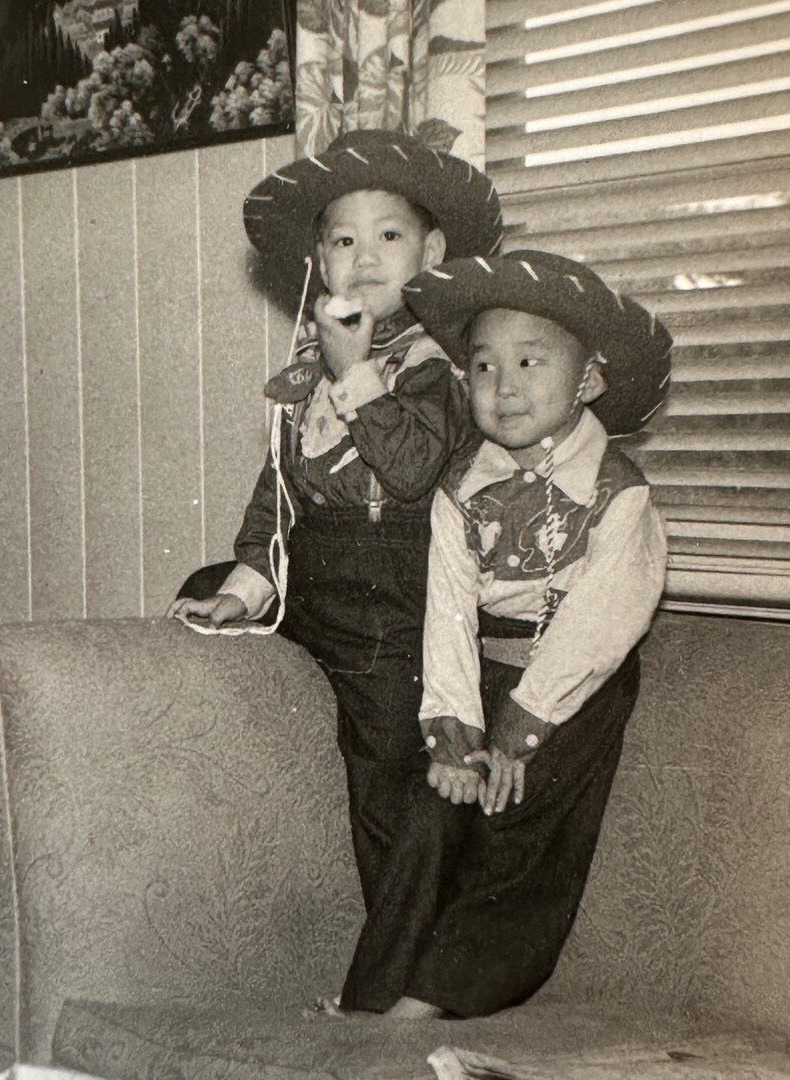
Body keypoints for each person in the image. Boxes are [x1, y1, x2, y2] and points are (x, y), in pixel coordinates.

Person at [168, 129, 504, 1014]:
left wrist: (359, 376)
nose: (363, 259)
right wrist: (247, 583)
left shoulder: (439, 367)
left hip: (395, 594)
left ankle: (391, 988)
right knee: (206, 606)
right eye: (343, 240)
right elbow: (276, 491)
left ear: (431, 252)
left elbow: (410, 470)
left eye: (388, 237)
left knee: (391, 782)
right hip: (319, 578)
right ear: (319, 257)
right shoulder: (306, 375)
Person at [392, 249, 672, 1018]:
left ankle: (441, 995)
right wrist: (455, 734)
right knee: (428, 810)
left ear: (588, 382)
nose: (504, 387)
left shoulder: (617, 492)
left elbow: (599, 624)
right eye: (483, 367)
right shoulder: (460, 488)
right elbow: (446, 609)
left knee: (518, 819)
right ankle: (379, 988)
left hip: (569, 691)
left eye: (529, 362)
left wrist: (518, 734)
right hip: (481, 673)